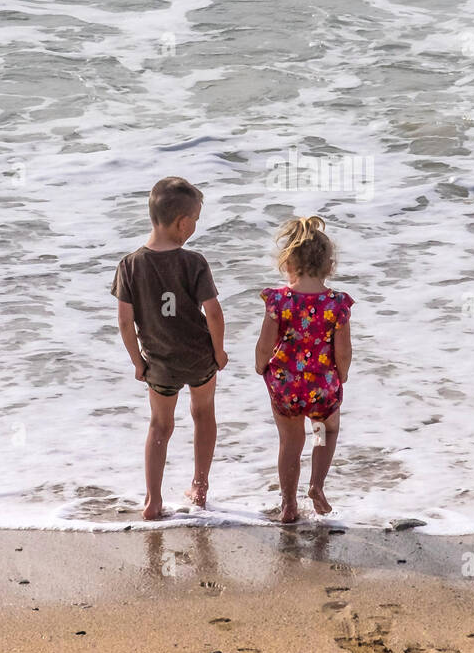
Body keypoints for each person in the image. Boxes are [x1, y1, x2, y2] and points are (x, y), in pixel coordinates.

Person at [111, 177, 227, 518]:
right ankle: (200, 486)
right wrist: (219, 351)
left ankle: (153, 500)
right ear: (183, 222)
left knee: (160, 426)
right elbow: (215, 313)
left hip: (159, 363)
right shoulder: (193, 262)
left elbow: (124, 322)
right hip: (198, 357)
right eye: (195, 221)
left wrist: (137, 362)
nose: (194, 228)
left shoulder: (130, 265)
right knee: (203, 415)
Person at [255, 216, 352, 523]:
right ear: (329, 266)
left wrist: (261, 368)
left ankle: (288, 505)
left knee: (290, 442)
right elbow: (344, 351)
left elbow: (264, 345)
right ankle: (317, 486)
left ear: (288, 264)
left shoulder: (280, 300)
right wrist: (341, 376)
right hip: (322, 387)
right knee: (326, 430)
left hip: (286, 386)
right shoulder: (336, 304)